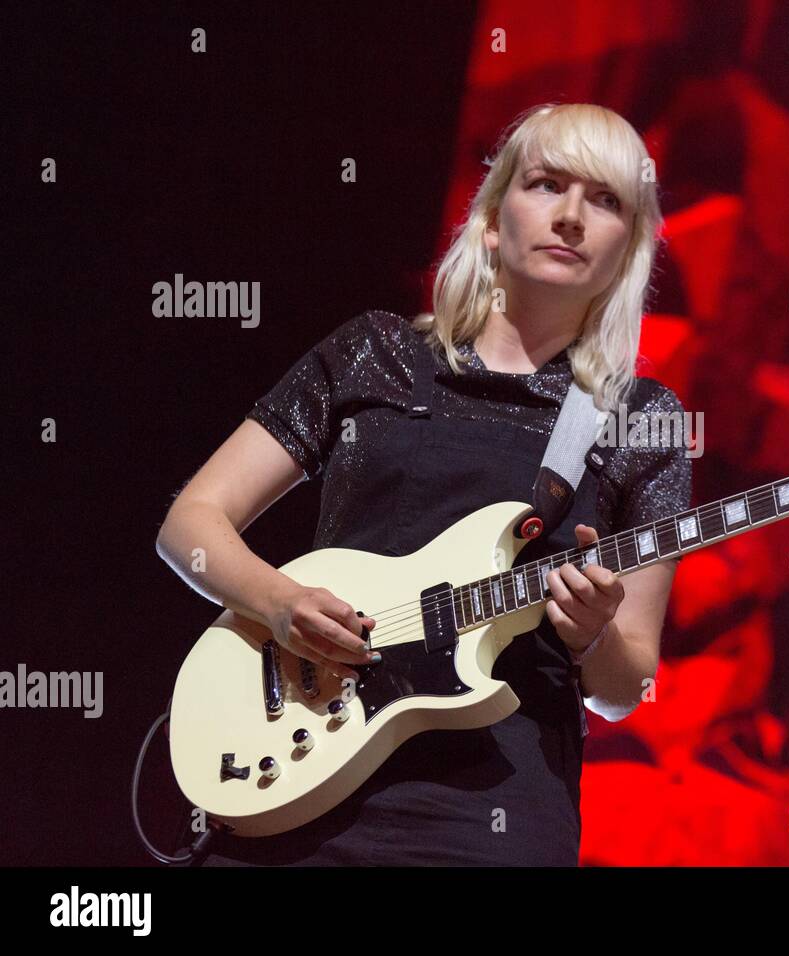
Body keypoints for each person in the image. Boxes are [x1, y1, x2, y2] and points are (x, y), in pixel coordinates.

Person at [155, 103, 692, 865]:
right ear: (492, 218)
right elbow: (192, 522)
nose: (571, 217)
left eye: (605, 200)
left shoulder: (642, 418)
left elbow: (623, 685)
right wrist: (279, 604)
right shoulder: (376, 351)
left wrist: (592, 634)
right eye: (546, 185)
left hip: (491, 811)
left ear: (629, 248)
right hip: (304, 765)